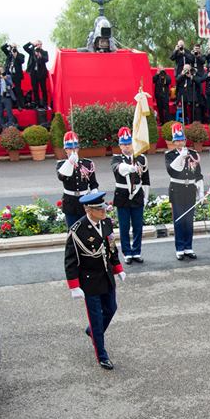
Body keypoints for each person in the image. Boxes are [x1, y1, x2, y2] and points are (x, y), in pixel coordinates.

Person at [65, 190, 126, 370]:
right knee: (96, 319)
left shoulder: (106, 222)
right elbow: (70, 259)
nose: (104, 211)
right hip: (89, 279)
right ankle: (102, 355)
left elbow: (111, 247)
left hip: (106, 275)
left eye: (103, 207)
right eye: (100, 209)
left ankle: (92, 332)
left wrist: (118, 268)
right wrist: (74, 286)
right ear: (89, 210)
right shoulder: (77, 230)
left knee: (111, 308)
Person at [162, 122, 203, 261]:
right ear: (173, 142)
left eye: (182, 140)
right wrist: (181, 157)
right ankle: (179, 248)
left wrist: (201, 192)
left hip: (190, 190)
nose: (180, 143)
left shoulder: (193, 154)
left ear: (185, 140)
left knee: (189, 220)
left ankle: (188, 247)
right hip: (177, 190)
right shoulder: (170, 155)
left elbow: (198, 174)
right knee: (179, 220)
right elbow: (172, 171)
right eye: (177, 140)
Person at [111, 127, 151, 264]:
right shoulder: (116, 158)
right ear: (120, 145)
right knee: (124, 227)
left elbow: (146, 180)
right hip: (122, 196)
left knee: (138, 226)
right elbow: (119, 169)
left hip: (138, 195)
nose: (126, 147)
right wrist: (130, 168)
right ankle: (127, 253)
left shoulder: (141, 158)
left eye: (128, 144)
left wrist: (146, 197)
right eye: (123, 144)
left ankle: (137, 251)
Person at [56, 131, 99, 228]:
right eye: (70, 148)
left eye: (75, 148)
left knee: (87, 231)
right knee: (72, 231)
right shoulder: (61, 164)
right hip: (70, 202)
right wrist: (70, 163)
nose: (73, 151)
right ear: (65, 150)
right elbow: (61, 177)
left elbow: (93, 184)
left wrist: (95, 196)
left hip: (85, 201)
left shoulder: (87, 164)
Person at [23, 40, 49, 109]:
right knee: (35, 89)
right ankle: (36, 103)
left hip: (42, 73)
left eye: (40, 44)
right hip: (34, 74)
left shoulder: (44, 52)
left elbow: (46, 59)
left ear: (41, 45)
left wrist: (40, 56)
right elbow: (24, 47)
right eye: (37, 44)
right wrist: (32, 44)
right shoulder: (32, 51)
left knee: (43, 89)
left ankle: (45, 104)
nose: (38, 46)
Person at [0, 43, 25, 108]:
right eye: (12, 47)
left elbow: (22, 61)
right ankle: (7, 105)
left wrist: (16, 55)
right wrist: (8, 44)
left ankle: (19, 105)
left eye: (15, 47)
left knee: (18, 90)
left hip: (17, 75)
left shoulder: (21, 55)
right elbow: (2, 48)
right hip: (8, 75)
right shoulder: (9, 54)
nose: (13, 49)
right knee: (6, 89)